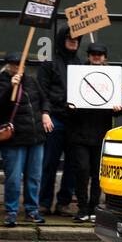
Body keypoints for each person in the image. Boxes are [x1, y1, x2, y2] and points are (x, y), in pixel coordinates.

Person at [65, 42, 122, 222]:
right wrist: (70, 106)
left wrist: (119, 106)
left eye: (99, 54)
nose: (96, 57)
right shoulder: (77, 75)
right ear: (88, 56)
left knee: (97, 173)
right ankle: (82, 208)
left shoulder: (113, 77)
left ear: (105, 57)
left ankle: (94, 207)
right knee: (82, 171)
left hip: (101, 132)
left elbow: (119, 106)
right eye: (93, 53)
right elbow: (68, 103)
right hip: (79, 133)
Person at [0, 51, 53, 227]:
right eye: (14, 65)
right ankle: (11, 212)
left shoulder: (32, 81)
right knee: (13, 177)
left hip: (35, 137)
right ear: (8, 66)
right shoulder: (0, 83)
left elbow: (44, 100)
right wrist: (11, 87)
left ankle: (32, 210)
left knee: (34, 176)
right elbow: (0, 104)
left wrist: (46, 114)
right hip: (14, 139)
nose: (18, 68)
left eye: (20, 64)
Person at [37, 22, 81, 216]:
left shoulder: (82, 65)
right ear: (62, 40)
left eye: (76, 40)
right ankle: (44, 202)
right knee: (49, 163)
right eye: (69, 39)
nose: (73, 42)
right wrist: (45, 113)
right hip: (55, 118)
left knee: (72, 165)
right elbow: (42, 91)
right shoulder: (49, 64)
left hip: (75, 121)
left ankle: (63, 202)